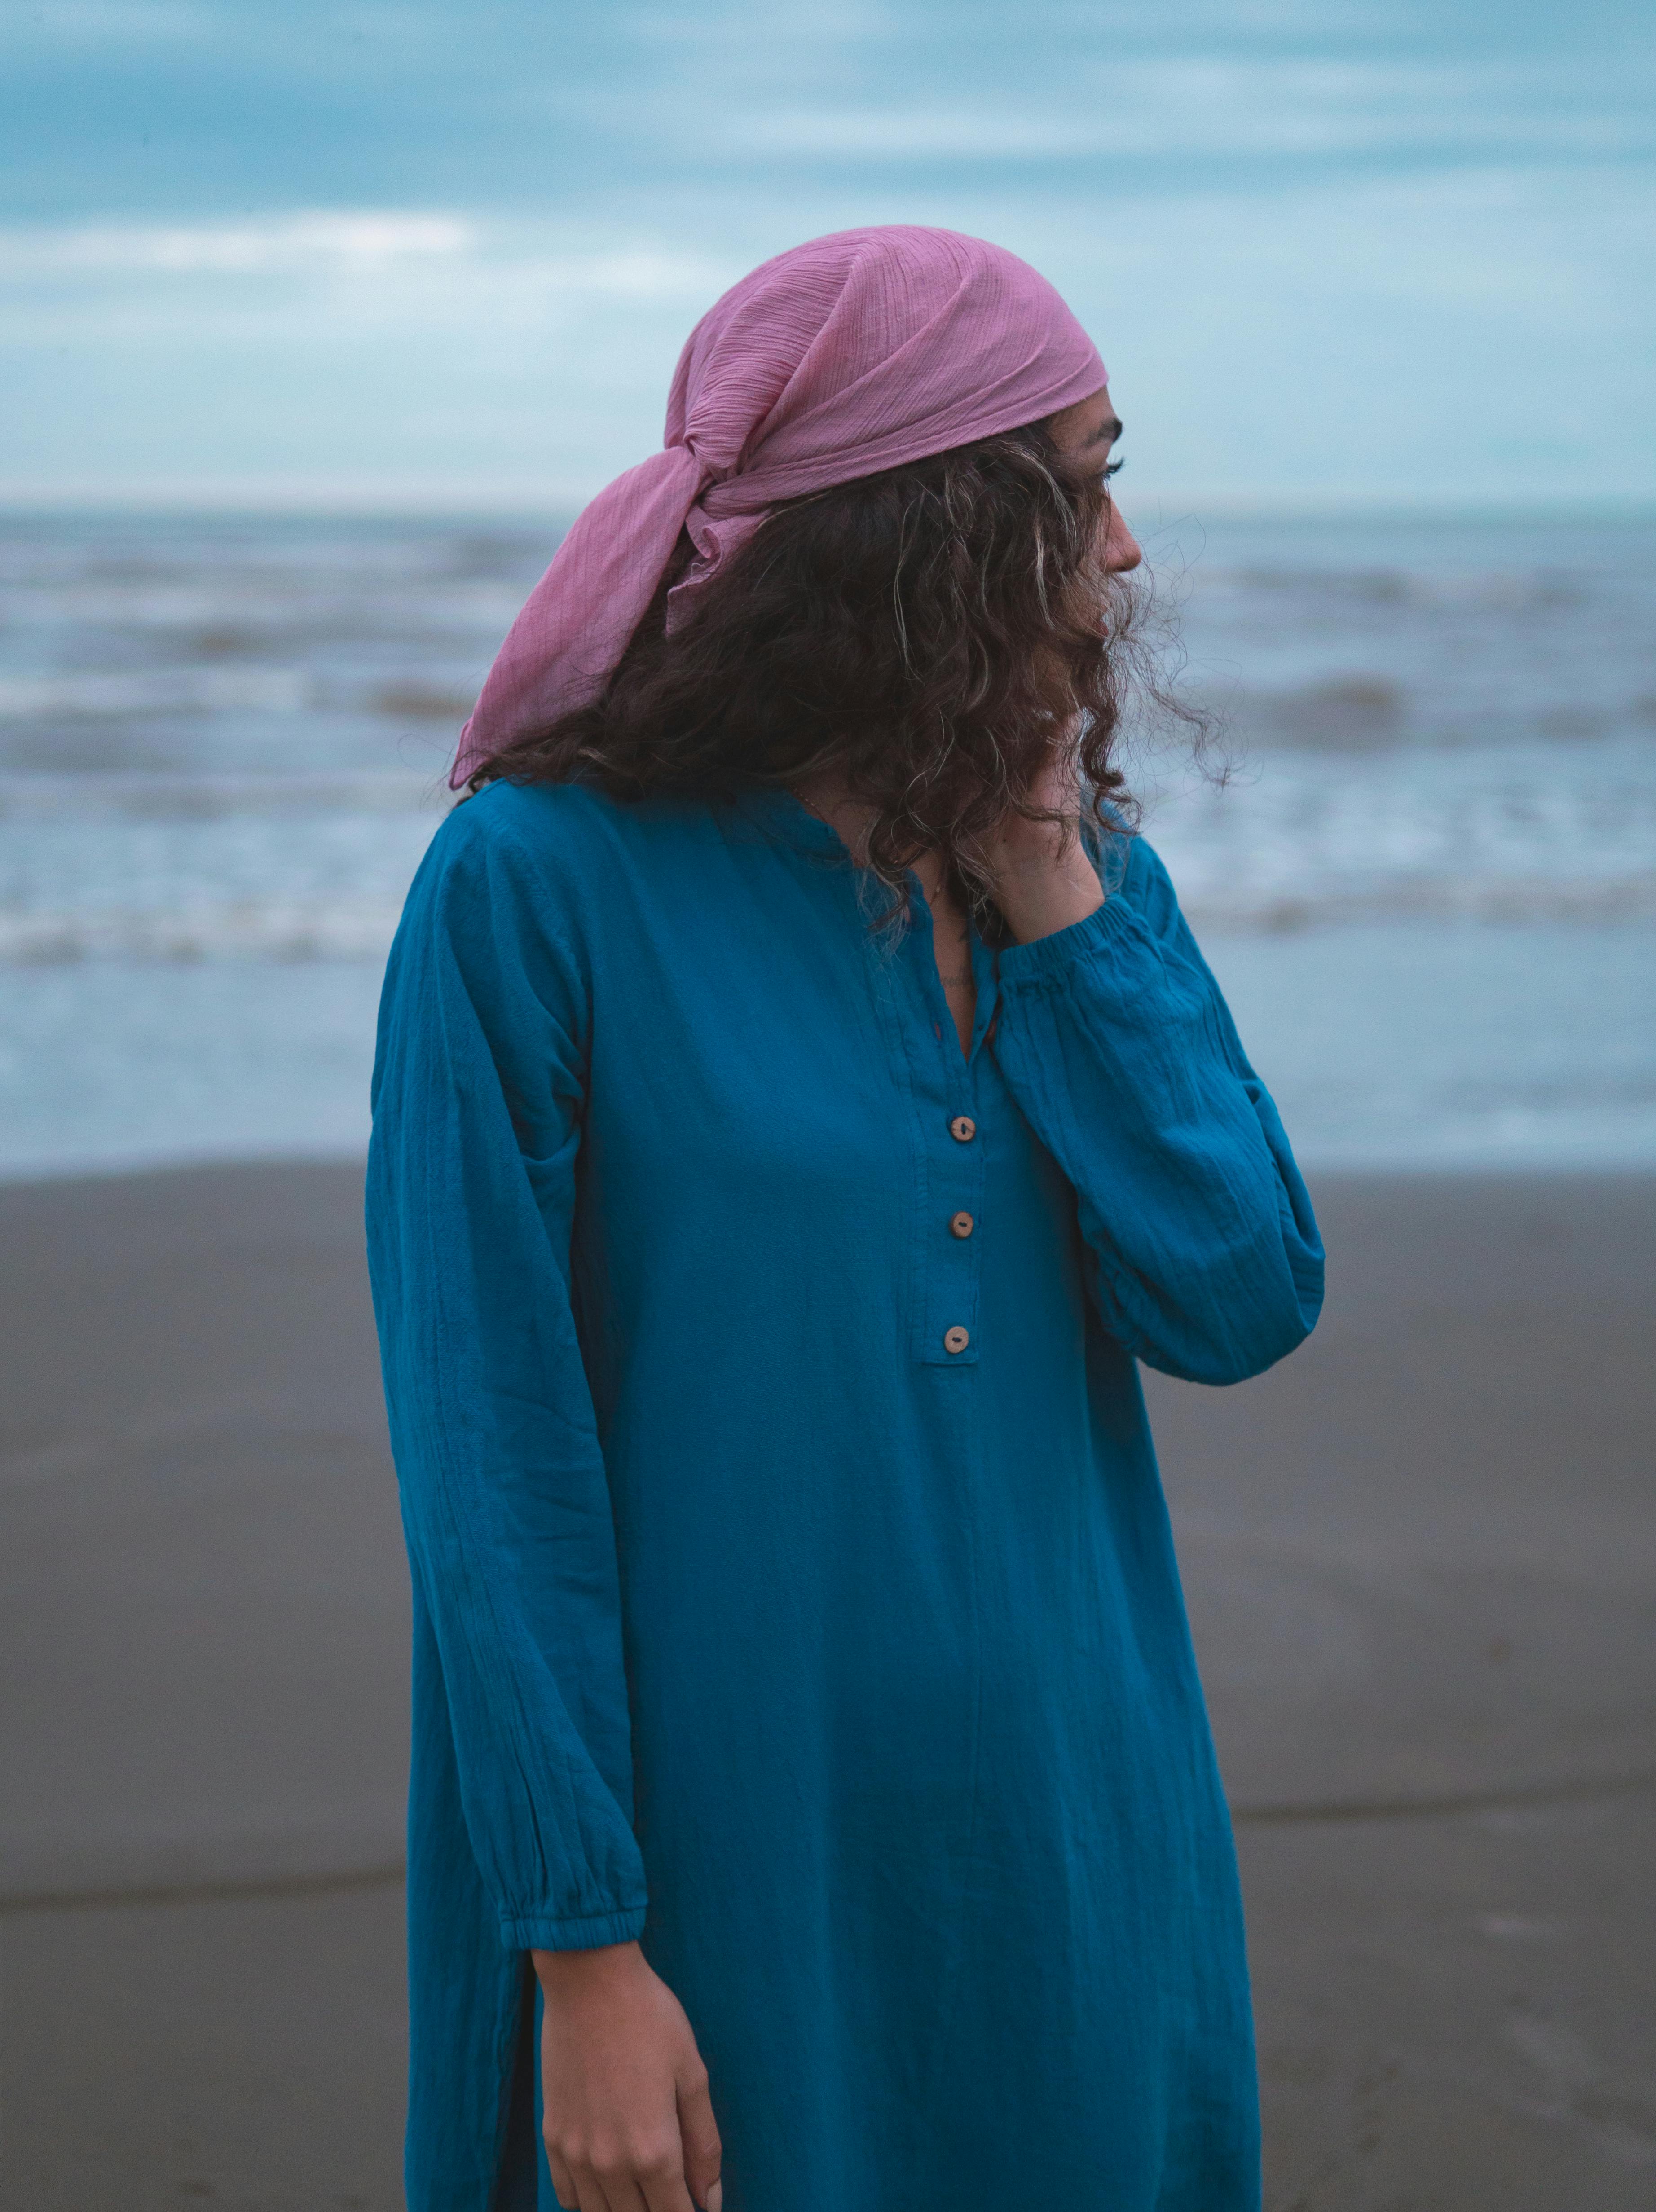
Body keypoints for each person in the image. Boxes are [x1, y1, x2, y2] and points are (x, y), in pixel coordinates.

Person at [366, 224, 1324, 2212]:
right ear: (925, 533)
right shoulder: (533, 887)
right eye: (1079, 489)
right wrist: (582, 1951)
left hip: (1077, 1833)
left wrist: (1047, 890)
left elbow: (1239, 1296)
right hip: (718, 1867)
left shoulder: (1080, 884)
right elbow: (491, 1465)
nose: (1124, 550)